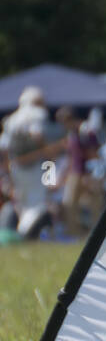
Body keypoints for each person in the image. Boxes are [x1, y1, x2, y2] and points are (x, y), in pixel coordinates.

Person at [0, 86, 62, 239]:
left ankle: (21, 232)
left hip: (16, 167)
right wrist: (48, 153)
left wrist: (7, 172)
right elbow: (37, 134)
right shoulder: (37, 114)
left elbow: (4, 148)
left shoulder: (12, 119)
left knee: (22, 203)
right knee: (37, 203)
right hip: (35, 166)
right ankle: (24, 234)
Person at [55, 106, 100, 235]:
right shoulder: (71, 134)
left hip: (87, 173)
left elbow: (93, 153)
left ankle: (96, 234)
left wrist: (88, 175)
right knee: (69, 204)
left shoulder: (86, 131)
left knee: (93, 205)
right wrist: (62, 177)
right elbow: (71, 157)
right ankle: (74, 234)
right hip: (74, 173)